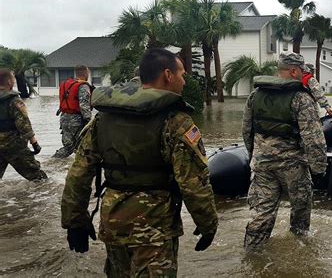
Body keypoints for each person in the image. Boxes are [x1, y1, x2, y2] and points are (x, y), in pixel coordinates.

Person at [61, 48, 218, 277]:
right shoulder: (176, 122)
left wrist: (74, 221)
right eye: (182, 75)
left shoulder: (103, 118)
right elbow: (193, 183)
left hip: (113, 223)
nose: (184, 82)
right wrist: (208, 225)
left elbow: (79, 172)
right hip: (154, 230)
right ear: (168, 75)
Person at [242, 52, 327, 250]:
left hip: (262, 165)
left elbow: (247, 130)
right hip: (293, 167)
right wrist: (319, 168)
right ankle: (300, 252)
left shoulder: (256, 95)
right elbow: (314, 139)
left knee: (261, 212)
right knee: (300, 212)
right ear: (294, 71)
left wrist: (253, 156)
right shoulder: (302, 98)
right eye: (301, 71)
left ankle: (252, 253)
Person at [0, 69, 47, 181]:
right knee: (37, 176)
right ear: (9, 83)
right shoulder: (14, 101)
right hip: (13, 144)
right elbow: (23, 124)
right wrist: (34, 143)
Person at [53, 65, 92, 158]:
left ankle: (54, 161)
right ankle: (84, 169)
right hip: (76, 121)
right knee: (83, 147)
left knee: (68, 147)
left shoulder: (66, 84)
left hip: (64, 118)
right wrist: (89, 122)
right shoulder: (83, 86)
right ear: (86, 74)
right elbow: (84, 105)